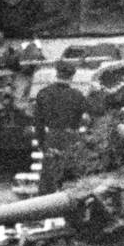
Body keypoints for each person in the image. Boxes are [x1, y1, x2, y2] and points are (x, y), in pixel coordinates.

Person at [33, 58, 88, 195]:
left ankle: (46, 203)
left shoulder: (43, 93)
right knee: (71, 174)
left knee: (48, 176)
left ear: (56, 74)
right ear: (72, 77)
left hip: (52, 137)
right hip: (71, 138)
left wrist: (42, 142)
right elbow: (83, 120)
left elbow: (38, 123)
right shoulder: (78, 96)